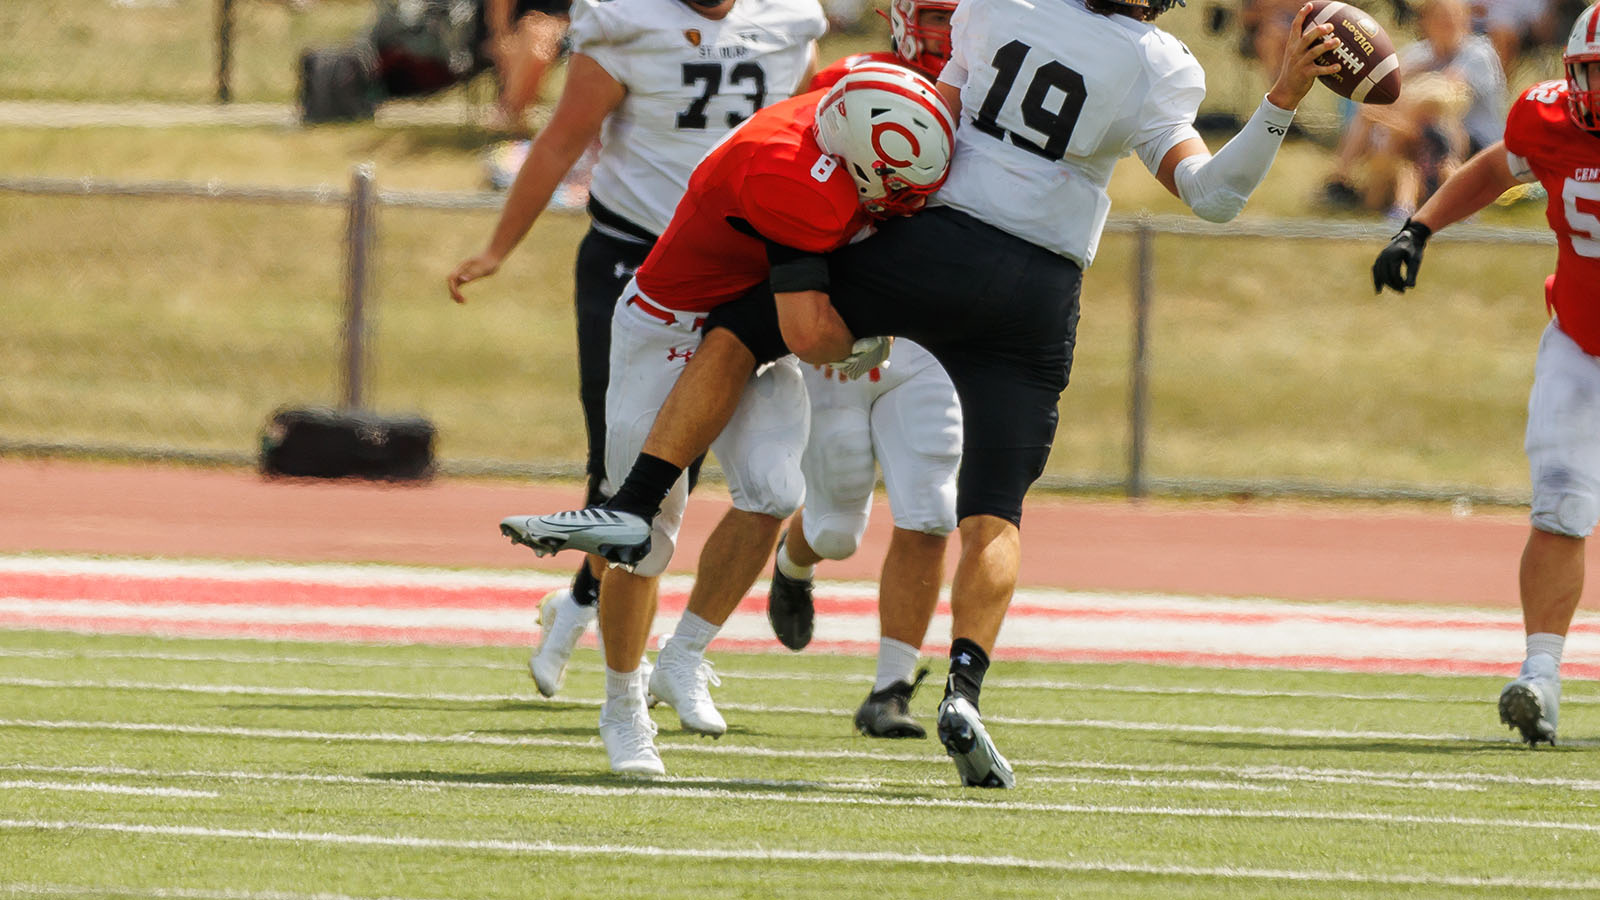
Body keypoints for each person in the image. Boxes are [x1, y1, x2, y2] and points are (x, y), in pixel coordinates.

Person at [505, 0, 1340, 787]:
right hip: (1040, 292)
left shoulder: (996, 11)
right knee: (995, 511)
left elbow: (934, 119)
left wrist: (862, 326)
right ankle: (965, 690)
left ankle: (640, 496)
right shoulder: (1163, 66)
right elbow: (1215, 197)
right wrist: (1282, 96)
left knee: (744, 325)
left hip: (935, 245)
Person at [502, 65, 955, 775]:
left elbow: (844, 77)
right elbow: (812, 335)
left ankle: (680, 658)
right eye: (890, 188)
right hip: (670, 326)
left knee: (774, 495)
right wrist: (871, 338)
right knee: (643, 535)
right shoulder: (794, 176)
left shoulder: (850, 98)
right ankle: (622, 707)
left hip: (748, 329)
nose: (898, 206)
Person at [447, 0, 825, 699]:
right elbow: (561, 141)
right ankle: (600, 637)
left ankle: (593, 616)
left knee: (687, 470)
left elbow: (806, 137)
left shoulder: (790, 18)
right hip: (640, 266)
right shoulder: (625, 18)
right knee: (630, 468)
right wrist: (499, 246)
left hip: (740, 263)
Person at [1372, 2, 1600, 747]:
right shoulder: (1549, 118)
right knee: (1560, 501)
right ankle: (1541, 677)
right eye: (1593, 75)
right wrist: (1419, 228)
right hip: (1580, 339)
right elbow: (1497, 166)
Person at [766, 0, 962, 742]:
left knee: (931, 506)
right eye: (937, 15)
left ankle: (891, 688)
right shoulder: (844, 80)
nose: (945, 31)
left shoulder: (991, 100)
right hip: (841, 338)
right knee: (840, 525)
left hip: (931, 337)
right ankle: (794, 557)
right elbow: (786, 189)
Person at [1324, 0, 1506, 216]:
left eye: (1454, 16)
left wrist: (1399, 101)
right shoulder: (1418, 53)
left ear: (1466, 20)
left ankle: (1390, 200)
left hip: (1470, 142)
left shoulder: (1478, 54)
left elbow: (1444, 99)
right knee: (1369, 112)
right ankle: (1340, 180)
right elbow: (1388, 89)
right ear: (1425, 22)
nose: (1448, 22)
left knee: (1396, 127)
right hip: (1423, 131)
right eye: (1440, 17)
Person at [482, 0, 572, 131]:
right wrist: (500, 35)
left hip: (558, 24)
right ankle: (512, 110)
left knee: (537, 38)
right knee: (532, 37)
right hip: (519, 26)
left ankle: (510, 109)